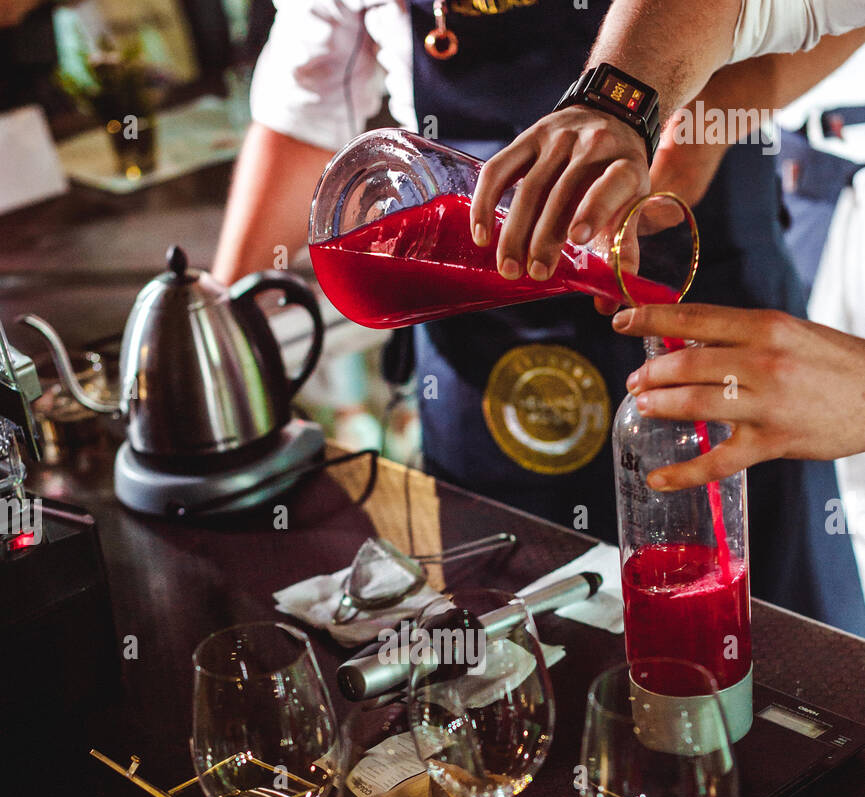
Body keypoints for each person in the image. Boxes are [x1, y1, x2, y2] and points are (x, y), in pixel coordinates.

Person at [213, 0, 865, 633]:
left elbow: (829, 14)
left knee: (761, 611)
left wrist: (676, 137)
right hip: (487, 314)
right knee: (517, 621)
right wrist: (220, 324)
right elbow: (304, 111)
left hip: (689, 260)